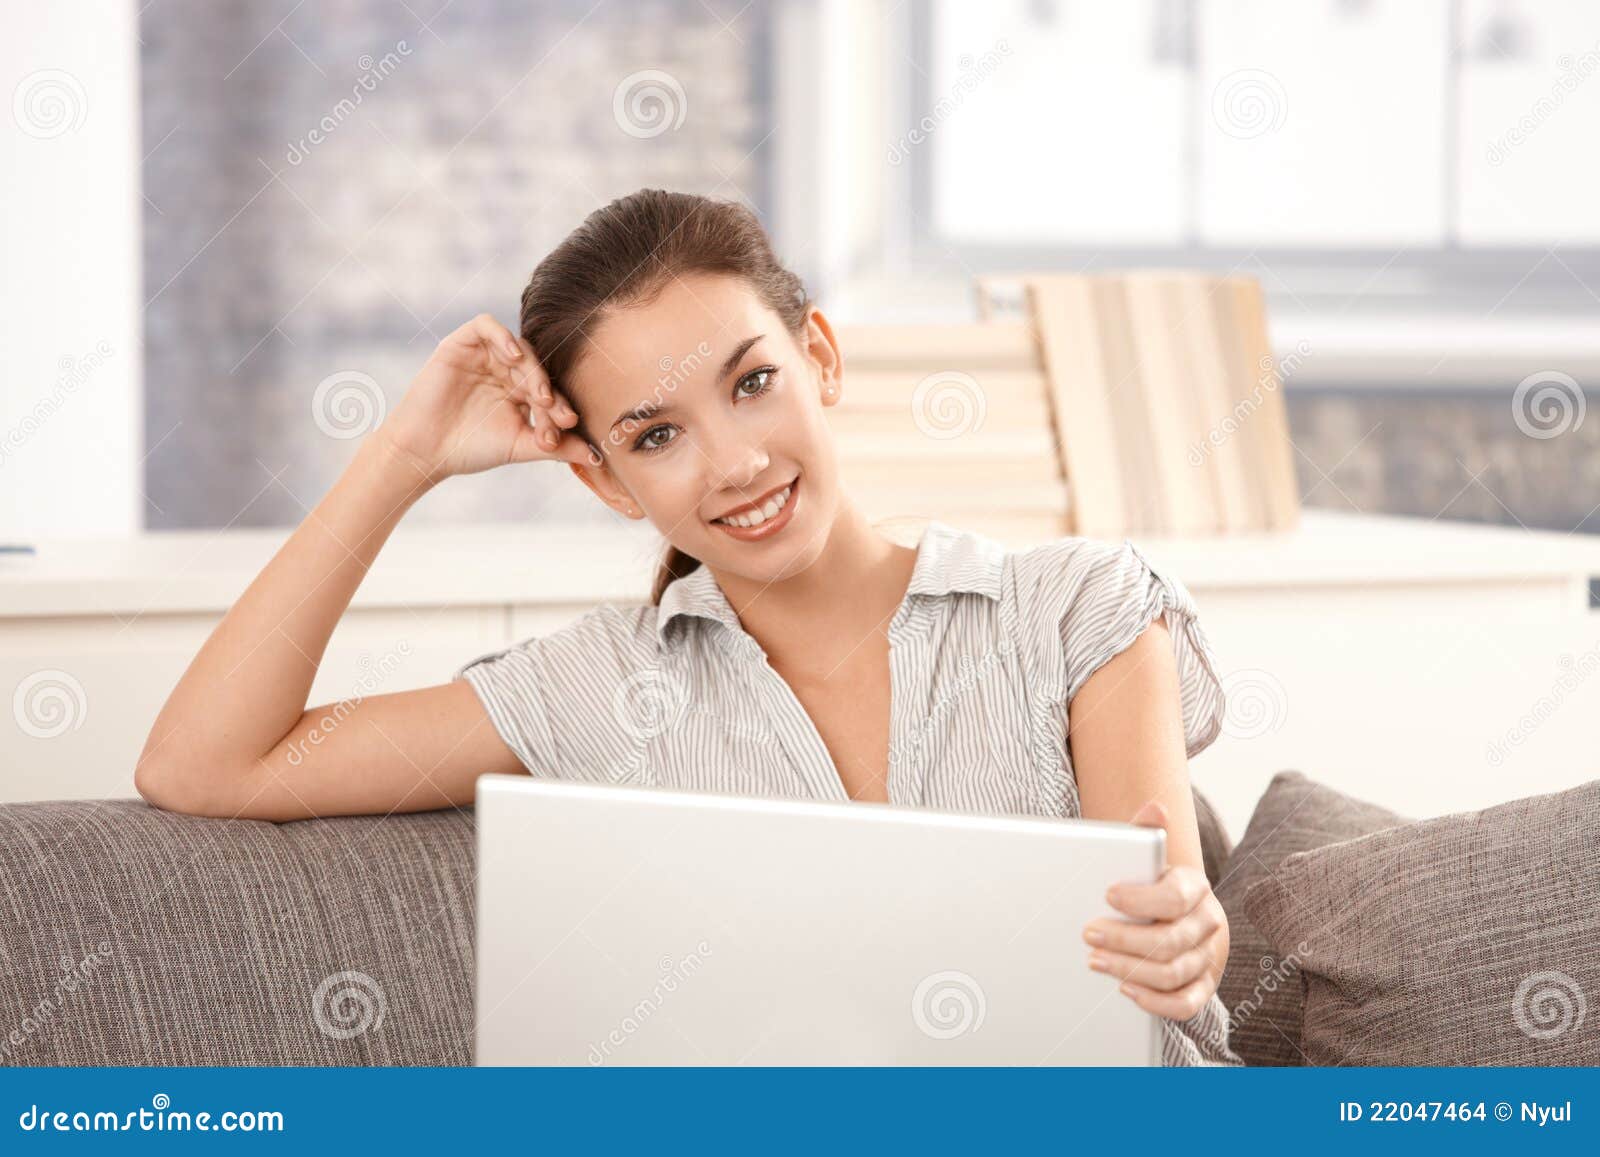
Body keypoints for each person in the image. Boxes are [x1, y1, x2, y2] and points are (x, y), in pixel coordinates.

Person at [137, 187, 1241, 1067]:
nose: (735, 462)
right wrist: (402, 460)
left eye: (753, 382)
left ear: (821, 357)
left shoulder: (1076, 607)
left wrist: (1188, 945)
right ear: (610, 483)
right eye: (656, 435)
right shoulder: (595, 686)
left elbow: (1165, 958)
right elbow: (205, 763)